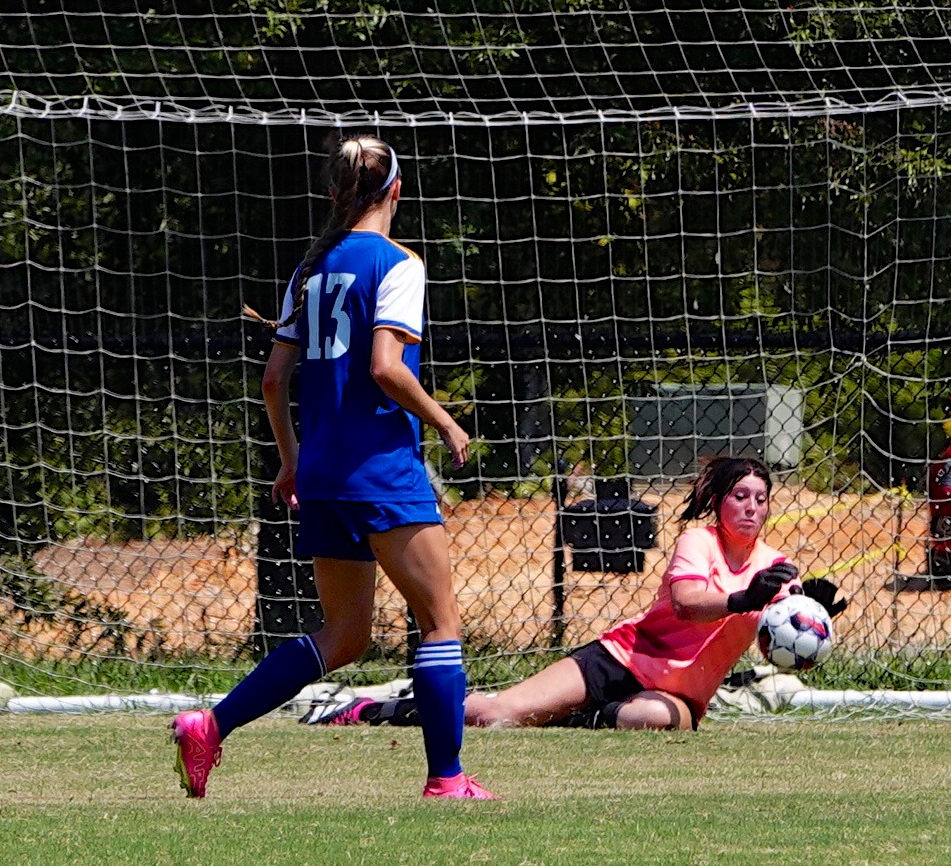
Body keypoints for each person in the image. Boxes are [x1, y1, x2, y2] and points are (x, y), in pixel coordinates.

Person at [170, 134, 496, 800]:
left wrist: (292, 461)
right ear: (397, 192)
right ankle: (447, 778)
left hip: (321, 473)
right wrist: (445, 419)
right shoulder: (399, 263)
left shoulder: (309, 272)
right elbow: (383, 367)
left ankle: (211, 725)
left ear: (331, 194)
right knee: (440, 623)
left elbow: (272, 381)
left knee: (343, 636)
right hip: (379, 467)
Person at [305, 455, 848, 731]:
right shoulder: (696, 541)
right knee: (495, 715)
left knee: (654, 724)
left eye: (760, 498)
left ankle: (574, 716)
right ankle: (376, 711)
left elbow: (786, 632)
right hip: (620, 660)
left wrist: (814, 610)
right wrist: (740, 600)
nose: (751, 507)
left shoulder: (776, 570)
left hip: (677, 696)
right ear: (719, 504)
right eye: (740, 496)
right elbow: (686, 603)